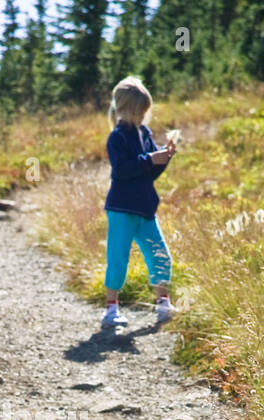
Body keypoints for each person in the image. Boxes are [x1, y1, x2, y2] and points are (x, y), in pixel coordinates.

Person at [101, 75, 179, 330]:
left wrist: (163, 159)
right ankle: (111, 309)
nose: (141, 116)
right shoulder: (117, 137)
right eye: (138, 111)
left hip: (146, 208)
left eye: (144, 111)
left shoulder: (144, 133)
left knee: (160, 255)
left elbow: (149, 173)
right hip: (122, 209)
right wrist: (149, 159)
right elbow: (122, 170)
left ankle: (162, 304)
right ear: (124, 109)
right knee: (118, 257)